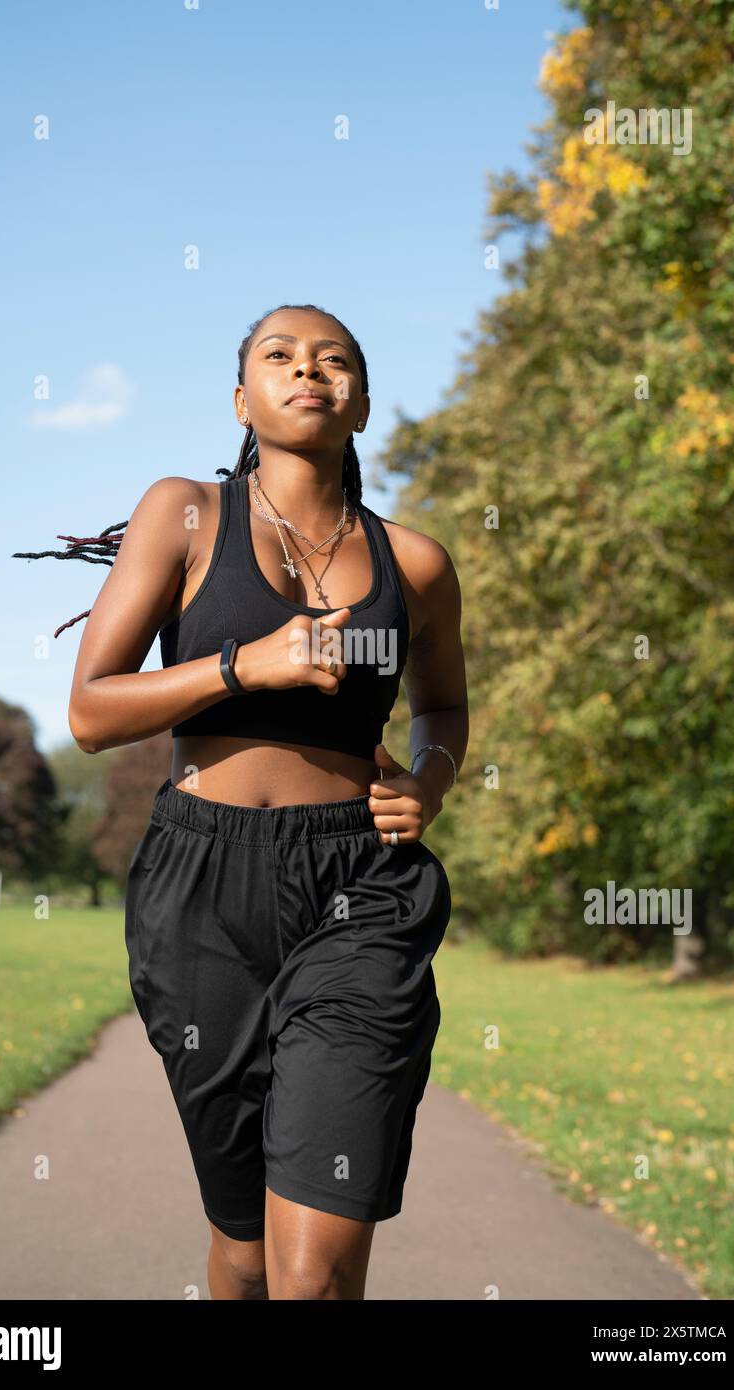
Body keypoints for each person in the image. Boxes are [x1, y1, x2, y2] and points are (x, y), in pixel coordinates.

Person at [66, 302, 468, 1300]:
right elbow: (90, 710)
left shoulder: (414, 563)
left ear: (362, 404)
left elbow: (445, 706)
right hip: (199, 886)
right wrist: (248, 662)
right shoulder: (185, 514)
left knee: (313, 1270)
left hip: (359, 891)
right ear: (242, 399)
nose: (308, 372)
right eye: (279, 358)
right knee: (243, 1252)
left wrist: (428, 783)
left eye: (334, 362)